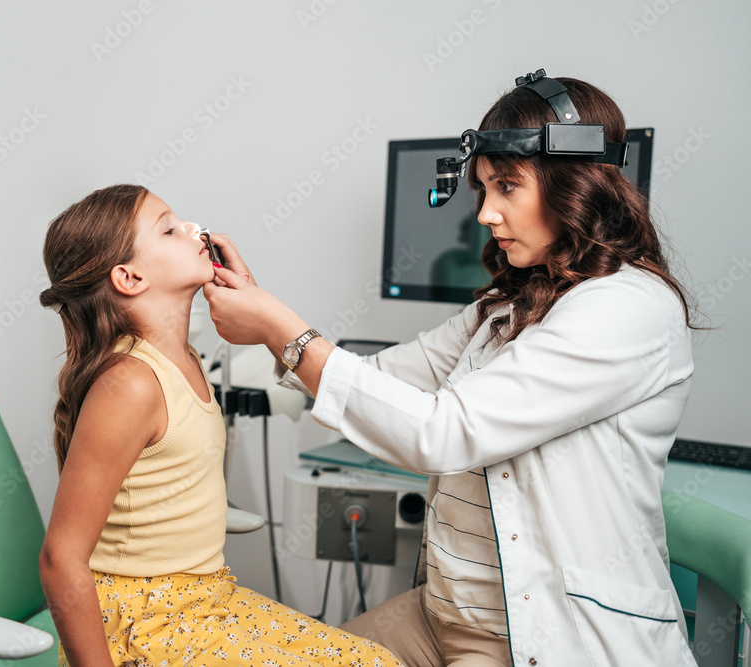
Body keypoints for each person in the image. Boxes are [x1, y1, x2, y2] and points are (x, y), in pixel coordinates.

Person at [203, 75, 699, 666]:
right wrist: (267, 322)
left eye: (507, 186)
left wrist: (278, 327)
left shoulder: (627, 308)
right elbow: (384, 376)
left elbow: (444, 433)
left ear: (577, 184)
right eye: (483, 188)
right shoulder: (511, 305)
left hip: (536, 635)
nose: (486, 213)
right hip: (444, 615)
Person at [36, 184, 405, 667]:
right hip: (143, 623)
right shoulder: (130, 385)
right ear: (129, 277)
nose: (194, 228)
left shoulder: (185, 359)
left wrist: (256, 305)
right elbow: (60, 559)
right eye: (169, 229)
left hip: (206, 600)